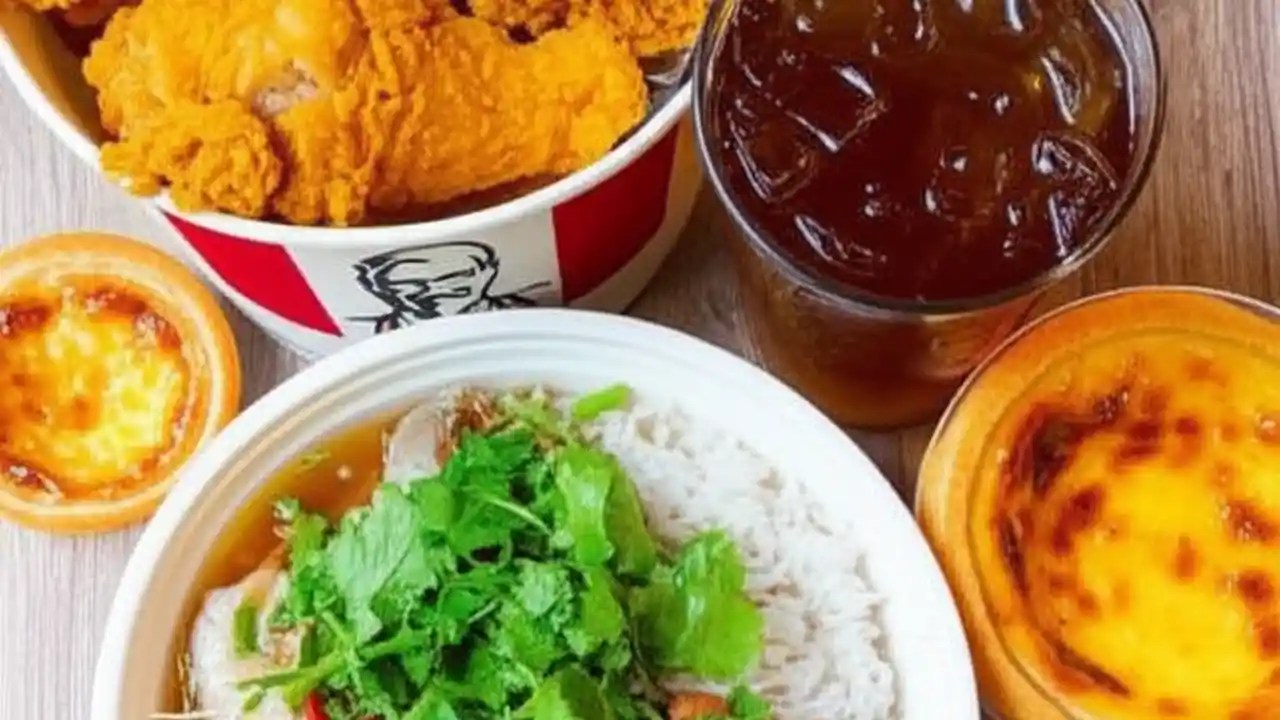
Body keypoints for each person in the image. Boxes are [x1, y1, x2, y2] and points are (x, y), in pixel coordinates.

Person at [352, 241, 548, 333]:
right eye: (412, 285)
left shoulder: (535, 309)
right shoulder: (379, 335)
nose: (435, 290)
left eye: (454, 278)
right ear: (380, 290)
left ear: (488, 273)